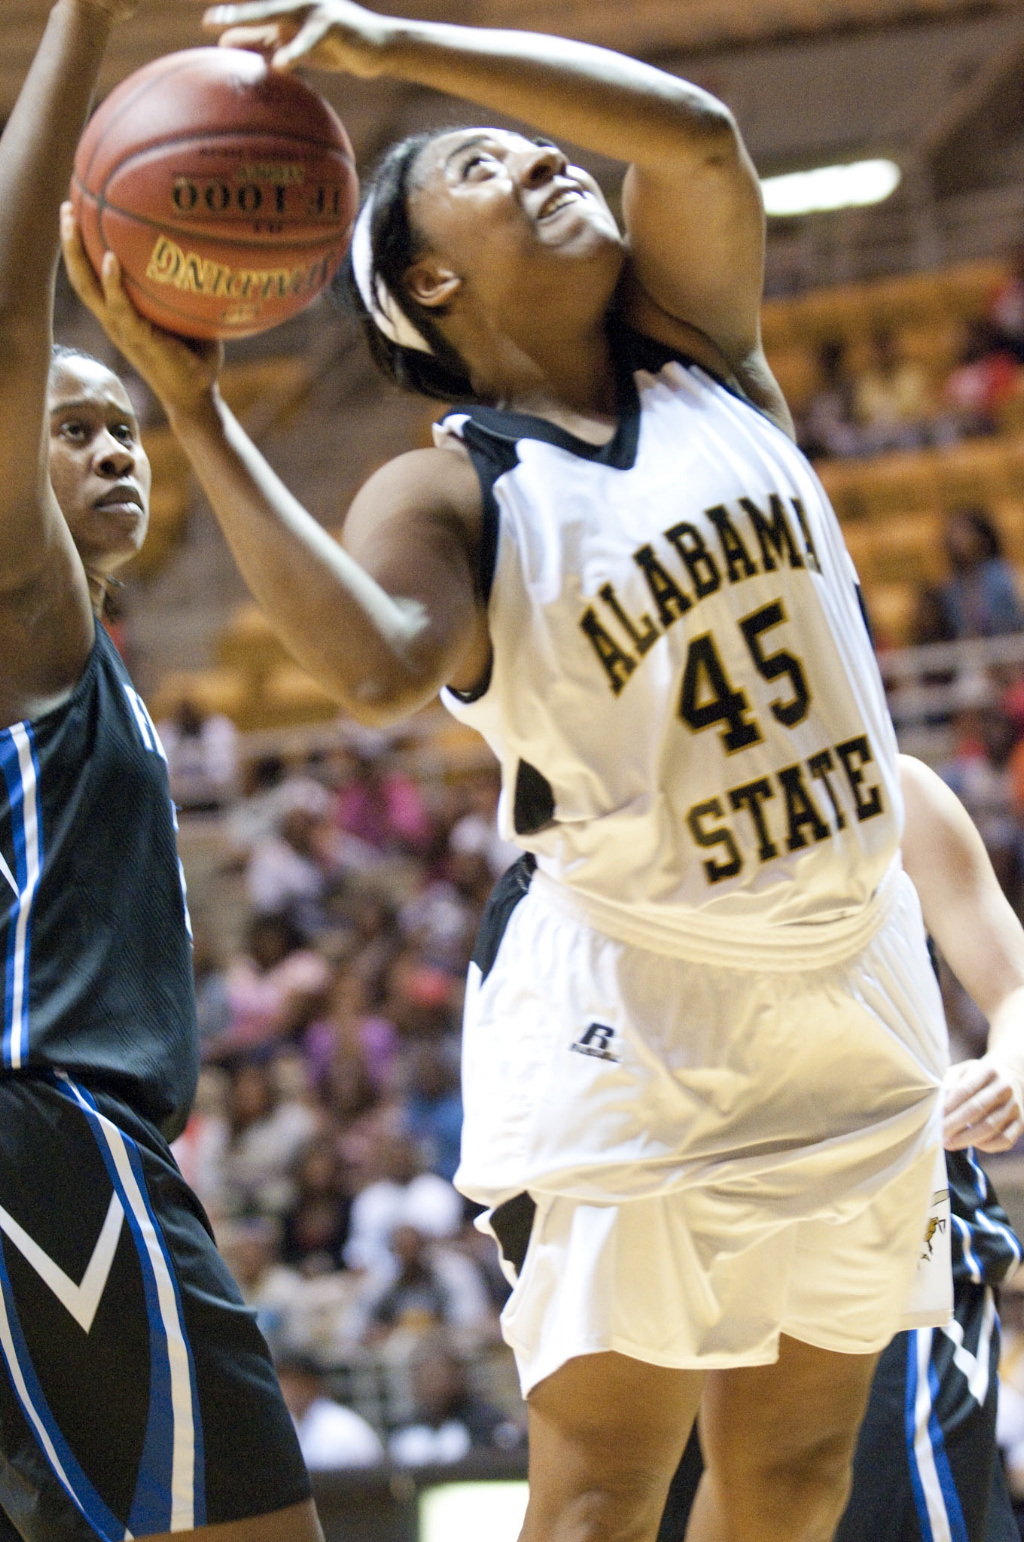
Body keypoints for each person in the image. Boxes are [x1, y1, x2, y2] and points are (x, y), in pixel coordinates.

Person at [64, 3, 971, 1536]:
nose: (545, 158)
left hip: (852, 977)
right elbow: (368, 662)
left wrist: (378, 37)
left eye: (541, 147)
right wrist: (203, 417)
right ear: (429, 282)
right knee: (606, 1490)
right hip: (639, 1002)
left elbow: (694, 138)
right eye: (487, 165)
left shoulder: (712, 366)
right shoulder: (451, 484)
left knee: (802, 1475)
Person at [0, 5, 320, 1541]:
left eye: (124, 426)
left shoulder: (83, 666)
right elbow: (4, 328)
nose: (116, 448)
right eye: (74, 427)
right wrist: (83, 26)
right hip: (53, 1142)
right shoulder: (23, 611)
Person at [658, 754, 1024, 1541]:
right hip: (696, 1221)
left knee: (896, 1509)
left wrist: (1010, 1070)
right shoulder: (626, 808)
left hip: (893, 1203)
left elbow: (1016, 986)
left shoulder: (896, 788)